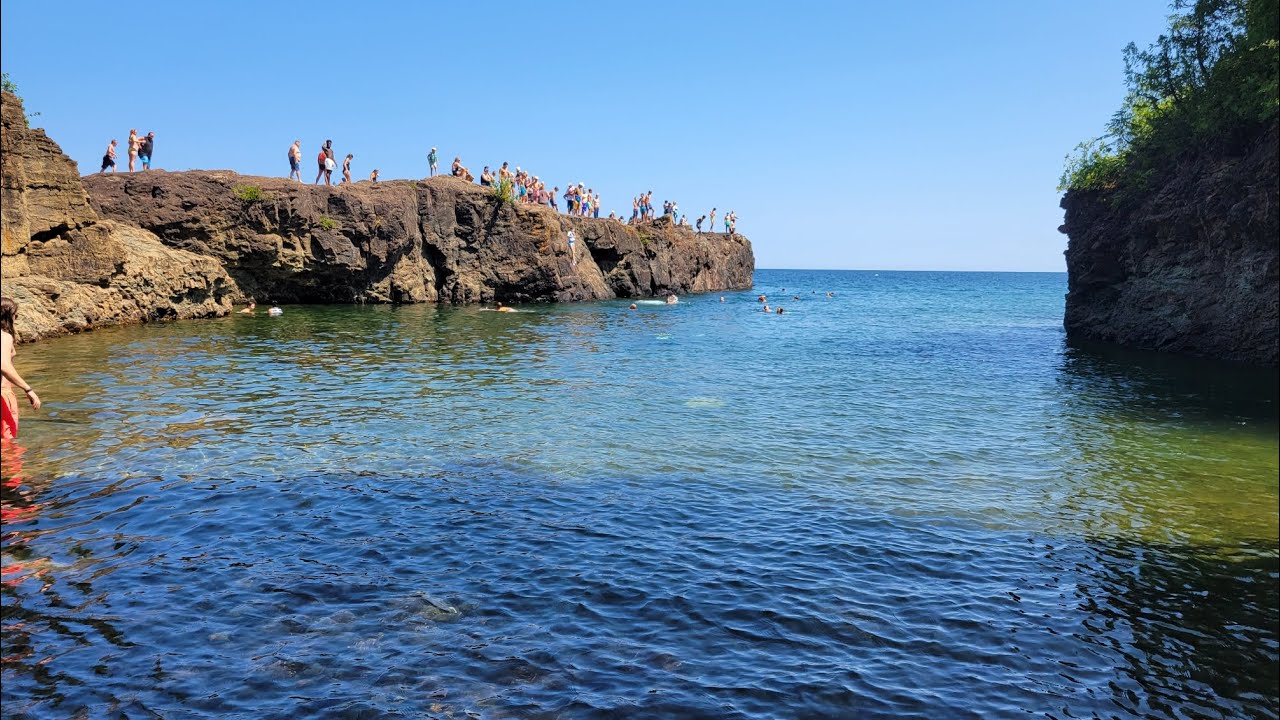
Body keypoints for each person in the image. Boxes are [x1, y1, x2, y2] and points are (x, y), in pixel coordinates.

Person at [1, 297, 42, 441]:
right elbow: (3, 365)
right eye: (15, 315)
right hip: (2, 396)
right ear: (7, 316)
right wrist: (28, 389)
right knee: (6, 442)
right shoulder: (4, 336)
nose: (15, 319)